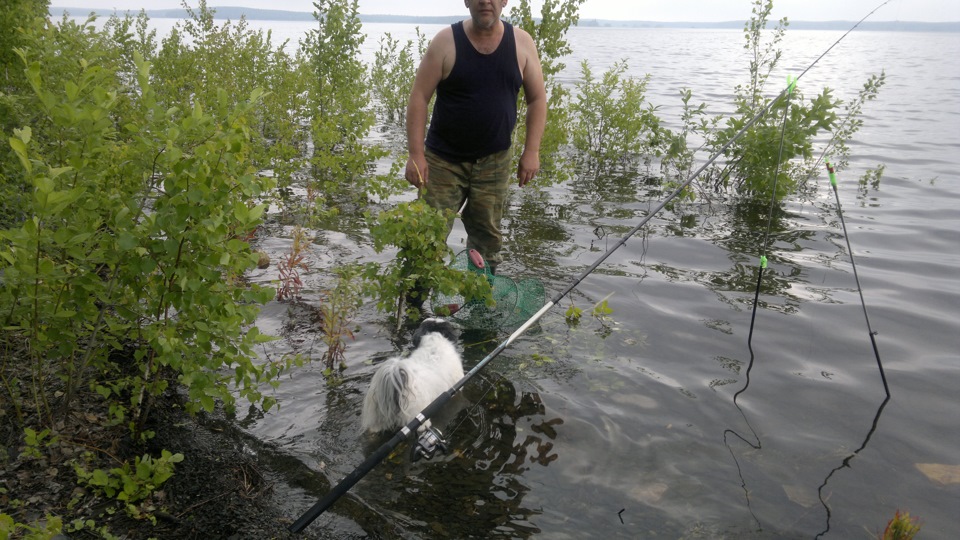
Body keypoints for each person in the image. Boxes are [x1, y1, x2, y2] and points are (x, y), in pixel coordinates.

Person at [405, 0, 547, 277]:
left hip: (495, 161)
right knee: (426, 236)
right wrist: (415, 155)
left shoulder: (522, 43)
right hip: (442, 162)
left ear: (504, 1)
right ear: (466, 1)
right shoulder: (446, 42)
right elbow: (419, 97)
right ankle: (414, 300)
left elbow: (537, 99)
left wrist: (532, 151)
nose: (485, 1)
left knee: (487, 241)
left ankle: (480, 298)